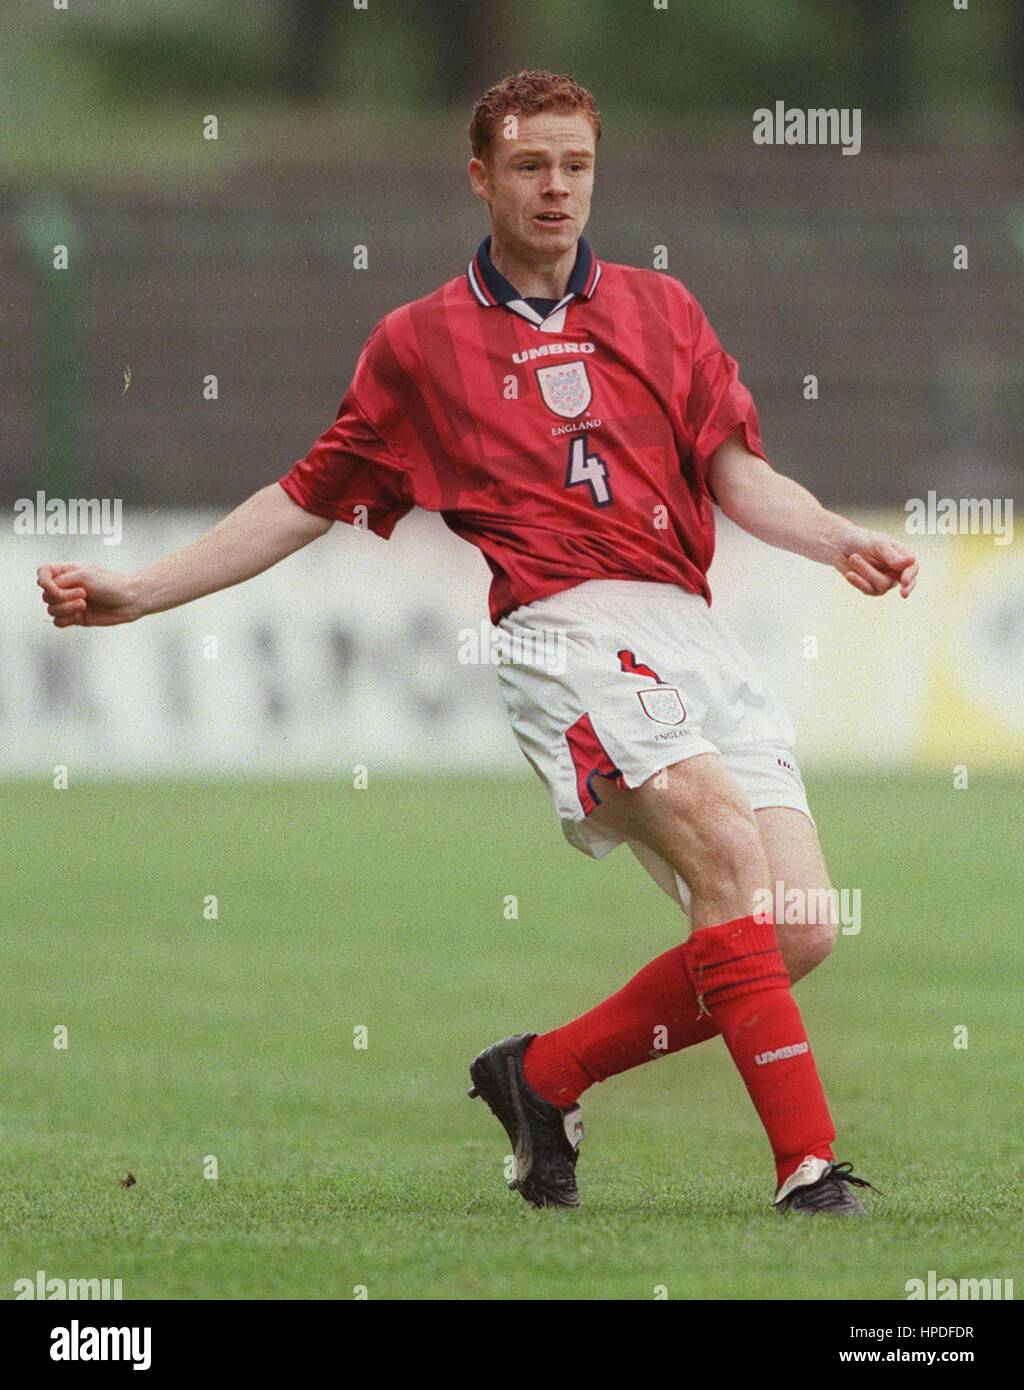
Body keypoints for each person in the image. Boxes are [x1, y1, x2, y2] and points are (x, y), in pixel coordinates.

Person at [37, 69, 917, 1216]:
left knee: (796, 928)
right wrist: (142, 592)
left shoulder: (664, 308)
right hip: (563, 633)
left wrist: (836, 536)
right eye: (529, 165)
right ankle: (807, 1173)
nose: (556, 188)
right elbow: (304, 496)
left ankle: (541, 1074)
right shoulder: (419, 343)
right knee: (720, 849)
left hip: (690, 631)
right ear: (480, 176)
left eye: (576, 165)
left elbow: (737, 475)